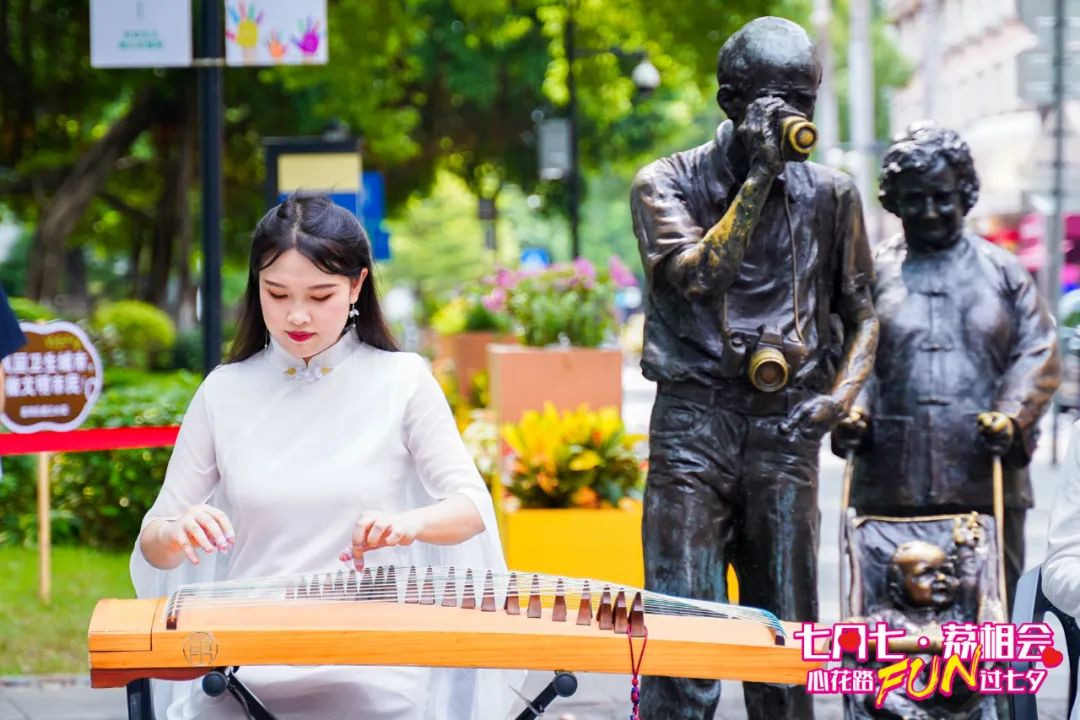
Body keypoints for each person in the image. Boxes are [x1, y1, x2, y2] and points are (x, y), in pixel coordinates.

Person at [131, 192, 516, 720]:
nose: (297, 315)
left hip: (369, 662)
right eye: (277, 293)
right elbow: (156, 539)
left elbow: (471, 507)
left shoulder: (402, 381)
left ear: (357, 285)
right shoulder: (224, 391)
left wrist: (409, 524)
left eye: (320, 295)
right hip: (244, 661)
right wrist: (178, 532)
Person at [630, 16, 878, 720]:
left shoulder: (831, 196)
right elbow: (699, 279)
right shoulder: (664, 184)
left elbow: (863, 314)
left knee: (786, 644)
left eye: (805, 100)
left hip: (785, 431)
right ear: (731, 100)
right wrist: (762, 175)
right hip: (692, 429)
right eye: (777, 101)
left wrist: (839, 398)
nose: (794, 118)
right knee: (684, 641)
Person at [833, 125, 1061, 610]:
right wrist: (854, 408)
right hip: (891, 479)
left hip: (983, 473)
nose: (930, 212)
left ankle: (991, 689)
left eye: (942, 197)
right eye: (915, 200)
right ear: (894, 202)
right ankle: (892, 687)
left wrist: (1013, 414)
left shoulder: (1004, 273)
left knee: (989, 608)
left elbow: (1038, 350)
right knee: (888, 612)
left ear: (966, 194)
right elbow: (849, 350)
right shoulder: (870, 275)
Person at [852, 523, 997, 719]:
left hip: (954, 689)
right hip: (907, 690)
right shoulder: (887, 620)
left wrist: (965, 549)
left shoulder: (955, 615)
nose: (940, 578)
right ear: (897, 587)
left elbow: (969, 584)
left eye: (947, 571)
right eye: (926, 574)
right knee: (877, 694)